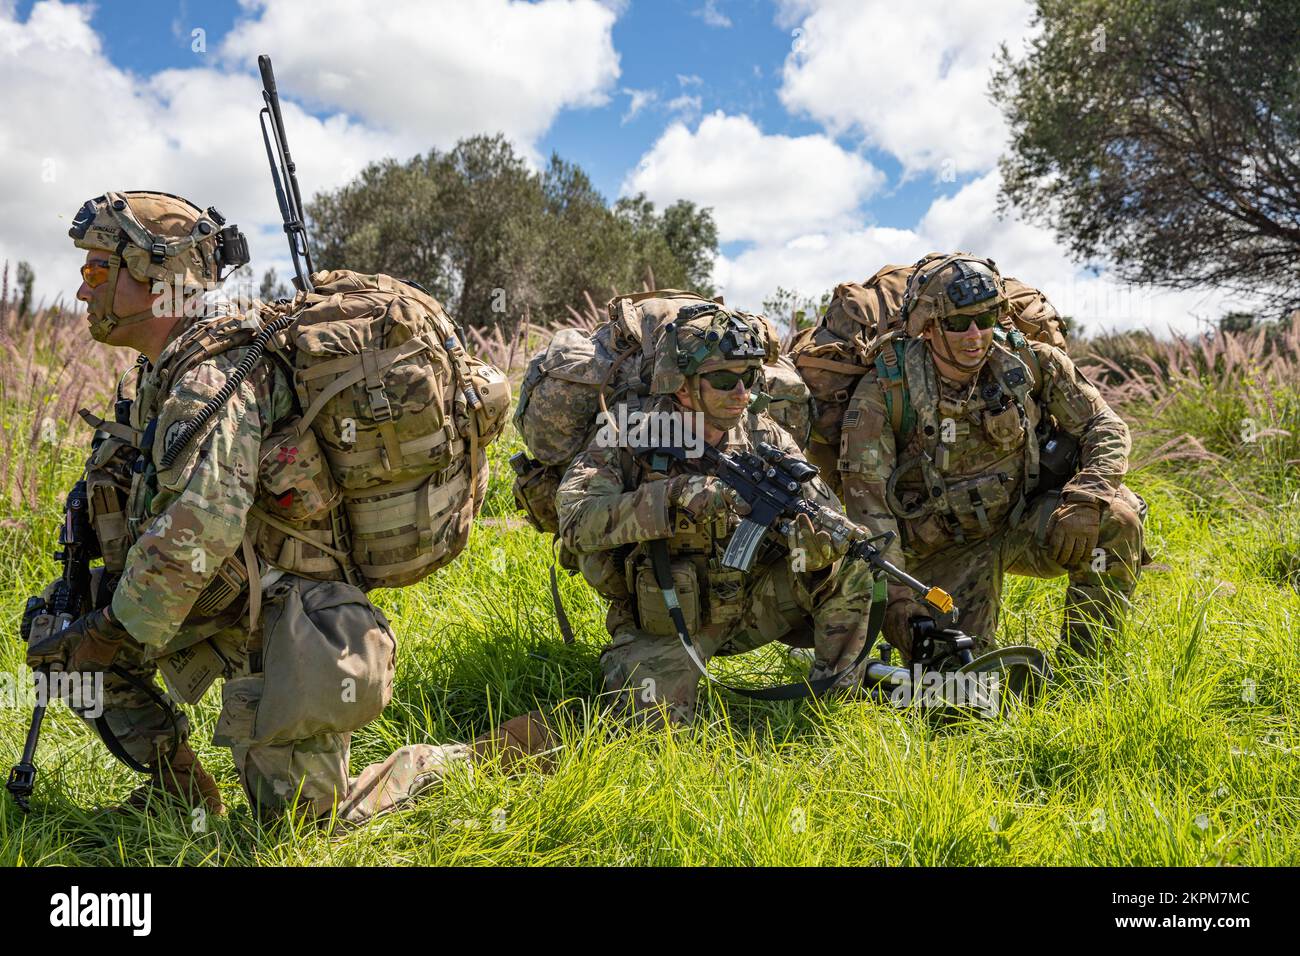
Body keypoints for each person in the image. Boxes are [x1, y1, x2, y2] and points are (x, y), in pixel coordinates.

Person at [26, 190, 551, 825]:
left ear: (154, 275)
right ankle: (182, 792)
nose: (83, 292)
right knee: (61, 645)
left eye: (97, 271)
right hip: (225, 597)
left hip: (295, 616)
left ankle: (481, 757)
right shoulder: (161, 375)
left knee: (301, 828)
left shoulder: (209, 380)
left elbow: (201, 528)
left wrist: (110, 633)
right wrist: (88, 627)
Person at [555, 304, 877, 727]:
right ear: (683, 387)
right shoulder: (629, 433)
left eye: (749, 378)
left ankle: (832, 705)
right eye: (725, 380)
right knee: (652, 740)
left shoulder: (764, 433)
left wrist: (815, 549)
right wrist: (672, 498)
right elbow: (576, 521)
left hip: (750, 605)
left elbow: (822, 509)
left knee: (852, 565)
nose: (742, 394)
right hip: (667, 622)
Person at [834, 253, 1145, 662]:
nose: (976, 335)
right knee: (956, 678)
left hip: (1021, 522)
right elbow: (870, 508)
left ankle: (1086, 670)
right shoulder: (886, 393)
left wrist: (1087, 498)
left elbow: (1104, 426)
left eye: (987, 319)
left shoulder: (1030, 362)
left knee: (1116, 519)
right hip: (944, 550)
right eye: (959, 323)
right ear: (927, 327)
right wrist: (896, 601)